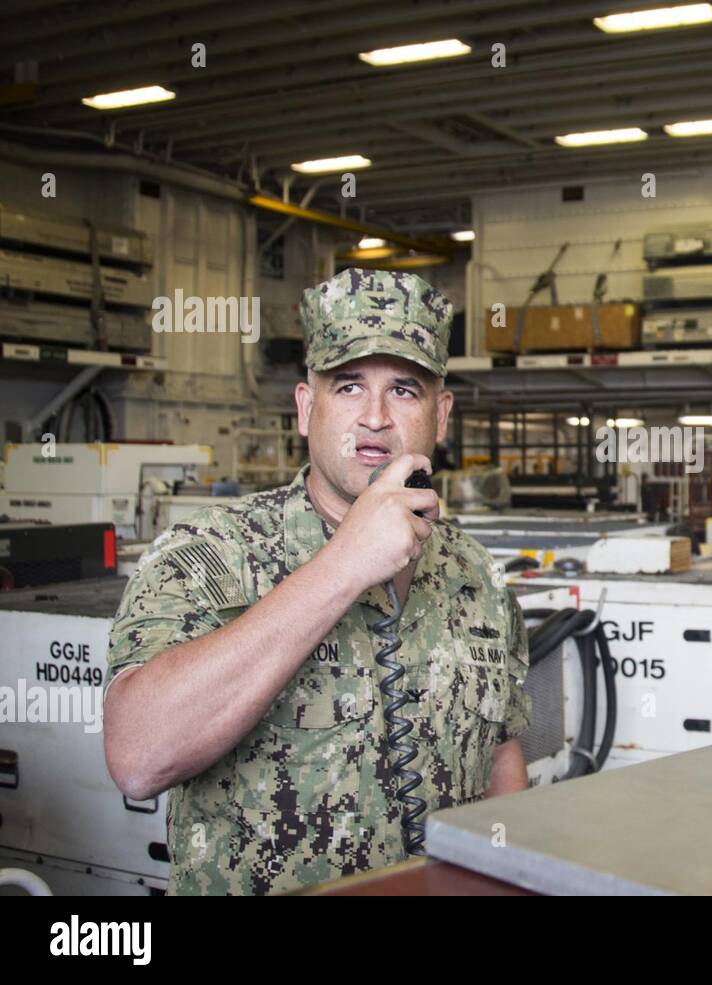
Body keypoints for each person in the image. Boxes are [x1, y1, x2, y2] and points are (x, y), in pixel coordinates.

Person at [103, 268, 530, 895]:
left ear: (440, 416)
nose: (376, 418)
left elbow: (500, 759)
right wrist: (344, 563)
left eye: (405, 390)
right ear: (307, 408)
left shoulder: (477, 575)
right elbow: (138, 759)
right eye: (350, 386)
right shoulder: (210, 554)